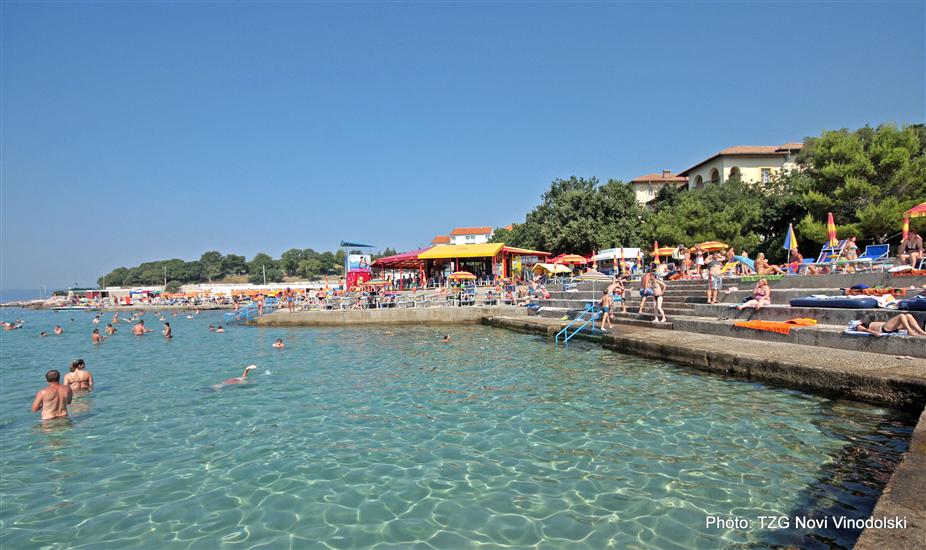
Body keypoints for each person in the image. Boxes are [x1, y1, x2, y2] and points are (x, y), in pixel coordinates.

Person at [853, 314, 926, 337]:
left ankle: (921, 331)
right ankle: (910, 331)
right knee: (901, 316)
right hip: (883, 329)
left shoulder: (866, 322)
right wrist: (873, 332)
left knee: (908, 316)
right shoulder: (858, 325)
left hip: (889, 327)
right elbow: (862, 329)